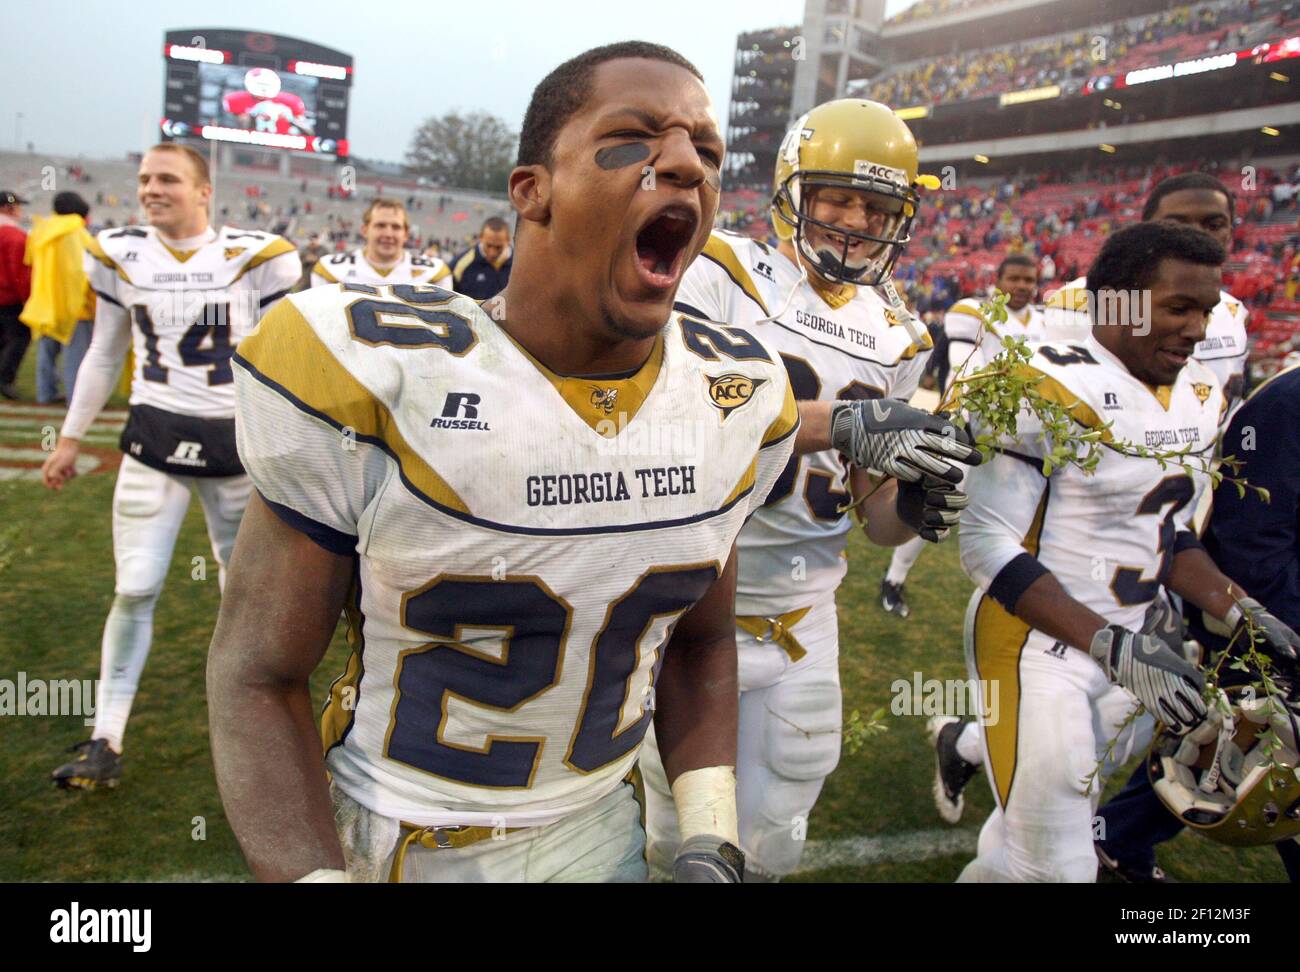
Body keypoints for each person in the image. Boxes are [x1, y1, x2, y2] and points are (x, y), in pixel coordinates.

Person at [207, 41, 973, 884]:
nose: (685, 164)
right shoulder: (374, 369)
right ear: (531, 189)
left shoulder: (735, 395)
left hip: (600, 828)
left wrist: (710, 833)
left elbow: (697, 644)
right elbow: (257, 675)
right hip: (391, 827)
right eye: (634, 137)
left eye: (706, 151)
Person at [637, 99, 982, 881]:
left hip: (805, 617)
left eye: (877, 207)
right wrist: (845, 422)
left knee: (777, 838)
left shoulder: (901, 333)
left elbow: (872, 515)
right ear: (794, 189)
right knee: (675, 840)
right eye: (839, 198)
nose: (857, 222)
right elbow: (679, 413)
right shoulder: (720, 270)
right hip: (691, 600)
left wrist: (910, 507)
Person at [955, 221, 1296, 882]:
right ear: (1117, 303)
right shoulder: (1042, 381)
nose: (1197, 329)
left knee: (1029, 841)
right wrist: (1110, 645)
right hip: (1034, 644)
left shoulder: (1198, 393)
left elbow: (1167, 533)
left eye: (1206, 309)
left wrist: (1239, 608)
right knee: (1061, 866)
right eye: (1179, 308)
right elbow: (985, 545)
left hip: (1134, 645)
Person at [40, 143, 301, 789]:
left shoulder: (257, 258)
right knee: (135, 586)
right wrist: (70, 438)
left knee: (241, 595)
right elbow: (105, 352)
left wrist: (290, 445)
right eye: (144, 179)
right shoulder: (119, 254)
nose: (151, 189)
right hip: (154, 439)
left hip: (235, 446)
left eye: (167, 180)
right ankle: (106, 737)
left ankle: (252, 726)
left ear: (204, 191)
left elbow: (284, 359)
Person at [1094, 363, 1300, 882]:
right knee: (1246, 756)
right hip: (1267, 629)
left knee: (1216, 755)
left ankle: (1116, 840)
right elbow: (1248, 545)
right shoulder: (1285, 404)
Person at [881, 253, 1045, 622]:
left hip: (1020, 443)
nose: (1022, 286)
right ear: (998, 281)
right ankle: (893, 579)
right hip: (970, 430)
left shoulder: (1045, 322)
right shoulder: (973, 313)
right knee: (934, 510)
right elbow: (963, 372)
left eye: (1029, 280)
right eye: (1015, 278)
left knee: (1011, 525)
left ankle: (1008, 598)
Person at [1044, 173, 1250, 413]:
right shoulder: (1079, 301)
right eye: (1176, 224)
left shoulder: (1233, 312)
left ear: (1230, 232)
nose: (1198, 234)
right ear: (1145, 229)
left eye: (1214, 225)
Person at [22, 191, 95, 404]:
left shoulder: (40, 231)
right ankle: (76, 398)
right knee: (75, 356)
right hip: (75, 306)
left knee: (46, 354)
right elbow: (84, 272)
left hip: (45, 303)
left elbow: (30, 263)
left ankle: (45, 394)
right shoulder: (78, 234)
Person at [311, 198, 451, 288]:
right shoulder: (331, 269)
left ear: (406, 234)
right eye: (380, 225)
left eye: (396, 227)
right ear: (365, 230)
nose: (388, 234)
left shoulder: (433, 273)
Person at [0, 190, 32, 400]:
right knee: (19, 337)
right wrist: (27, 298)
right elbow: (19, 274)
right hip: (8, 298)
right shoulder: (15, 236)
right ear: (9, 208)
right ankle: (5, 378)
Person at [451, 216, 512, 299]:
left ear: (508, 240)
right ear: (481, 237)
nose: (492, 253)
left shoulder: (520, 265)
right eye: (489, 245)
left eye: (498, 247)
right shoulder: (460, 263)